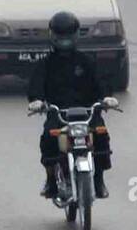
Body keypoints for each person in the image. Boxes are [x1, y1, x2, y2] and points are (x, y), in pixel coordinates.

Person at [27, 11, 112, 200]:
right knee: (48, 140)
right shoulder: (46, 64)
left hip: (88, 113)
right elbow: (36, 86)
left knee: (101, 136)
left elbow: (101, 83)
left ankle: (98, 180)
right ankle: (51, 180)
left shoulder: (87, 62)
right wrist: (37, 101)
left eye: (68, 37)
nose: (64, 41)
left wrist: (106, 98)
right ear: (52, 36)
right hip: (59, 115)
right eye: (60, 37)